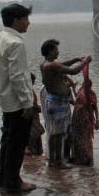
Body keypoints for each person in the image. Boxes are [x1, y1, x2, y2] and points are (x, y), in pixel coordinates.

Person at [0, 3, 36, 193]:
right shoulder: (15, 43)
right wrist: (27, 102)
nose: (28, 23)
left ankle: (4, 178)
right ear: (16, 20)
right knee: (17, 144)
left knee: (7, 141)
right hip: (17, 102)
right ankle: (14, 182)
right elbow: (18, 76)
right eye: (25, 19)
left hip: (5, 99)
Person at [40, 39, 91, 169]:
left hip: (55, 102)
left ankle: (55, 160)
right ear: (50, 51)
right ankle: (57, 161)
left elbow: (63, 64)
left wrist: (76, 59)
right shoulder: (51, 66)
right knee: (58, 133)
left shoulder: (46, 64)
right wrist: (85, 62)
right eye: (56, 49)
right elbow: (73, 71)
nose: (58, 51)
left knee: (56, 133)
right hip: (57, 103)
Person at [70, 63, 99, 166]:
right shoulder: (80, 91)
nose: (85, 86)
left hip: (86, 119)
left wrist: (97, 121)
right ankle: (79, 159)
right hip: (77, 119)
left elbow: (95, 108)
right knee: (77, 138)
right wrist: (73, 88)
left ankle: (87, 158)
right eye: (85, 84)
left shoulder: (91, 94)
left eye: (87, 84)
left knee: (86, 138)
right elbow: (76, 99)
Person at [26, 73, 45, 156]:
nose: (34, 83)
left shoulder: (30, 90)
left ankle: (35, 152)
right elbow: (30, 105)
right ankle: (31, 151)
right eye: (33, 81)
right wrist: (41, 109)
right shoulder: (27, 91)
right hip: (31, 116)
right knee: (32, 135)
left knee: (35, 135)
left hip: (34, 116)